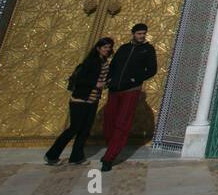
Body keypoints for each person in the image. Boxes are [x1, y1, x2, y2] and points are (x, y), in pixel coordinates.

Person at [45, 37, 114, 166]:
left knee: (85, 129)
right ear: (98, 48)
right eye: (105, 47)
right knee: (74, 128)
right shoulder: (91, 61)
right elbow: (80, 80)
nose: (107, 50)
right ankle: (51, 155)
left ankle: (76, 157)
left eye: (109, 47)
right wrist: (96, 83)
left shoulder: (104, 62)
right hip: (80, 100)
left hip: (92, 100)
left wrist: (105, 83)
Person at [100, 23, 157, 172]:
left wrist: (135, 79)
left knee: (122, 122)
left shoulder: (147, 50)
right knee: (109, 119)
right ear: (133, 34)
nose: (142, 36)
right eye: (139, 33)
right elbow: (114, 65)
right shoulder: (124, 48)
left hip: (131, 90)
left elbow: (152, 70)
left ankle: (109, 157)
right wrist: (109, 79)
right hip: (115, 89)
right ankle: (110, 149)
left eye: (144, 33)